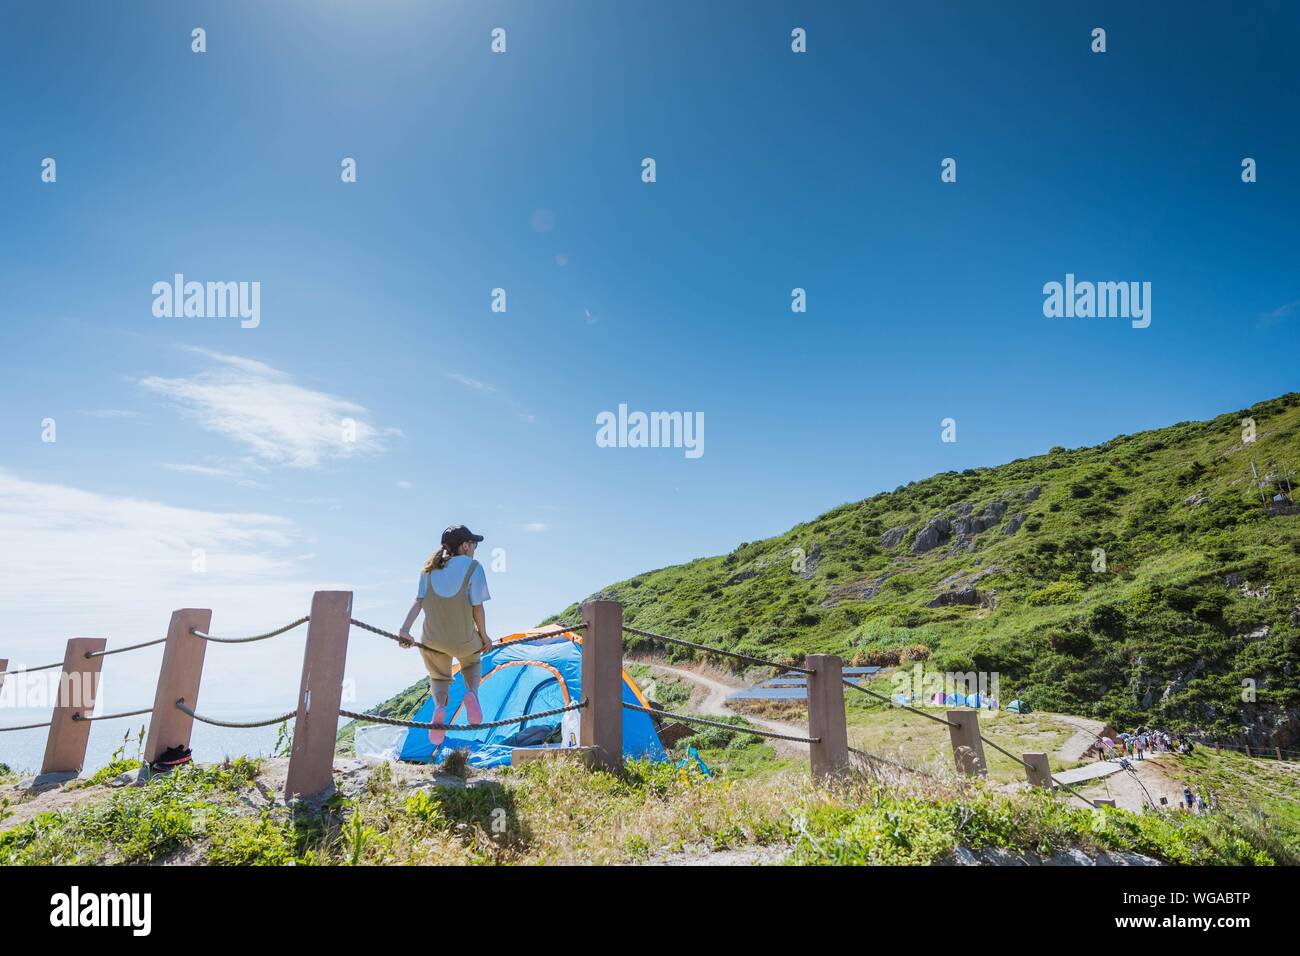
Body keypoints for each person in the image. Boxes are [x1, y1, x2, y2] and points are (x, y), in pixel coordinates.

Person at [397, 525, 493, 746]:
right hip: (464, 640)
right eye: (474, 545)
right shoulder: (474, 567)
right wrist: (484, 637)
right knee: (471, 663)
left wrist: (404, 631)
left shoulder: (428, 571)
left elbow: (418, 602)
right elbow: (477, 608)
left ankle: (440, 707)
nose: (475, 549)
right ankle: (472, 693)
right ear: (465, 546)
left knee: (439, 677)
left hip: (432, 642)